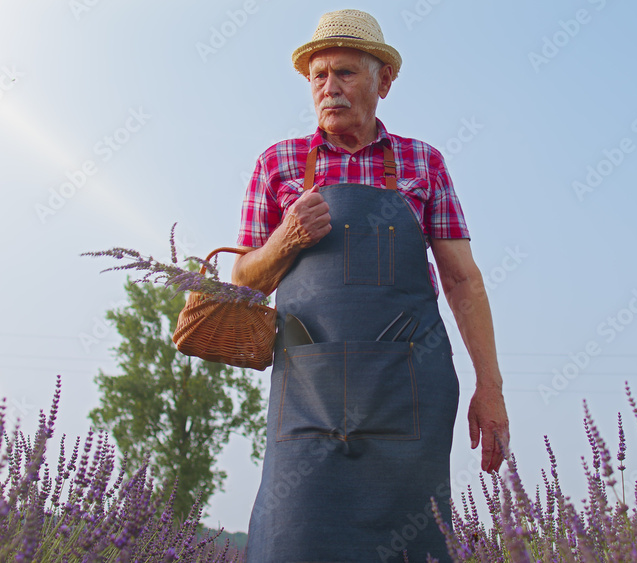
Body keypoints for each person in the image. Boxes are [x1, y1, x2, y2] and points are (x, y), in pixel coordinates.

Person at [231, 9, 509, 561]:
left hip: (405, 390)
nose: (329, 88)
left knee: (412, 541)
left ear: (384, 80)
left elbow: (463, 279)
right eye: (318, 75)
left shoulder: (423, 162)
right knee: (293, 537)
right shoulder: (278, 162)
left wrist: (491, 386)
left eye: (346, 73)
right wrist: (286, 241)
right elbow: (241, 282)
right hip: (307, 393)